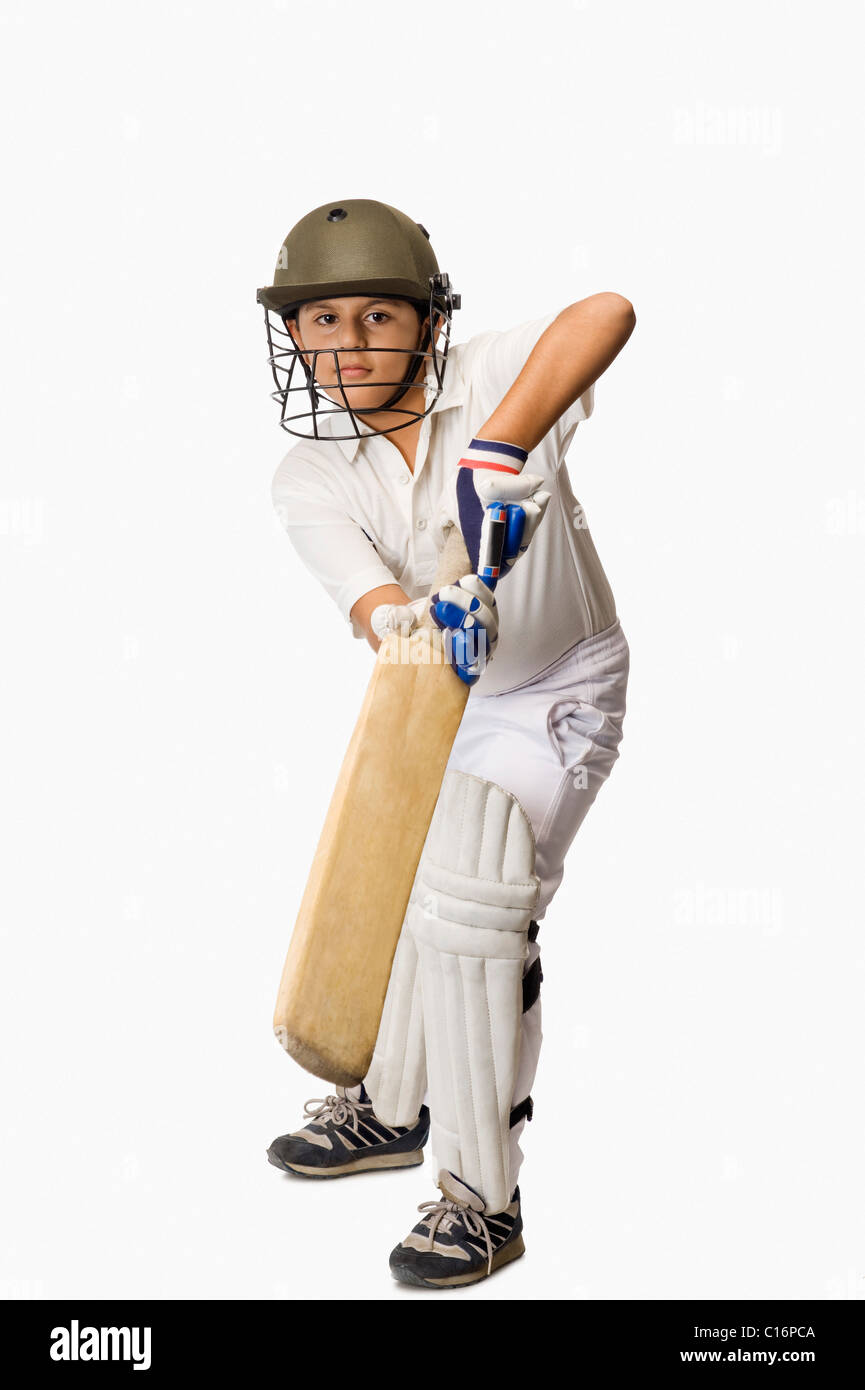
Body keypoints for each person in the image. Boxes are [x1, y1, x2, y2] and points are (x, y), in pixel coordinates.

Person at [258, 198, 635, 1288]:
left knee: (474, 902)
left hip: (561, 685)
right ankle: (388, 1108)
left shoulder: (490, 369)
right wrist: (413, 621)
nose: (350, 343)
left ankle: (481, 1201)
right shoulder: (310, 474)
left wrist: (504, 440)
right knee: (422, 900)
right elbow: (371, 605)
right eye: (322, 321)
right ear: (292, 337)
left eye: (380, 314)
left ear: (428, 321)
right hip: (446, 695)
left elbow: (606, 308)